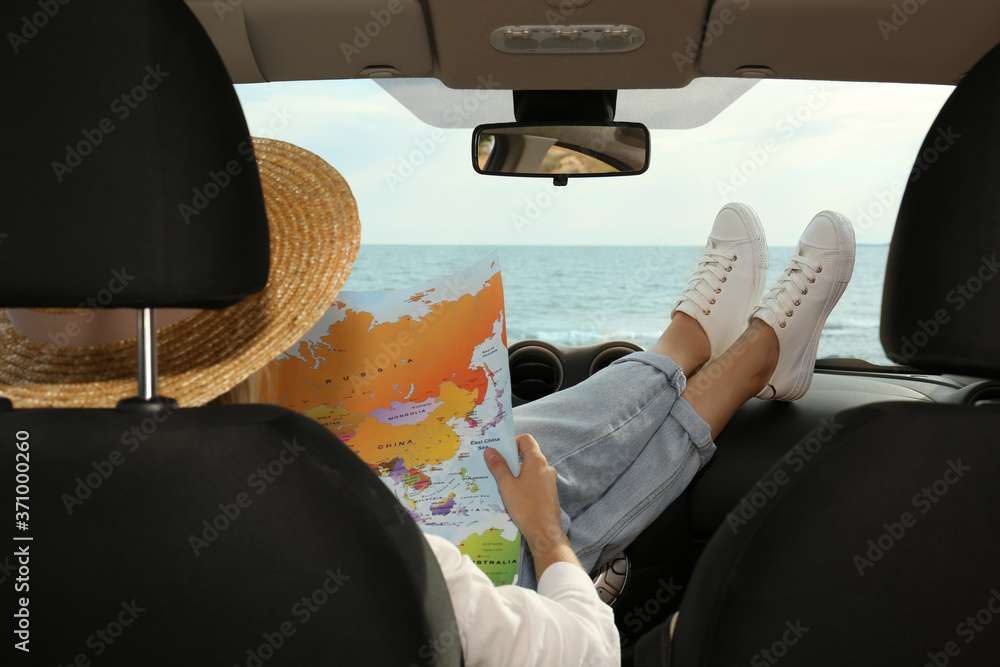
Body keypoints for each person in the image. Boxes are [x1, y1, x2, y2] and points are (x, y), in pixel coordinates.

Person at [0, 140, 856, 666]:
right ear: (262, 349)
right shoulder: (368, 545)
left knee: (516, 455)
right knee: (540, 497)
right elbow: (584, 654)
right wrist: (551, 537)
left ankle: (727, 350)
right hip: (479, 607)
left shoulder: (28, 524)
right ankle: (726, 348)